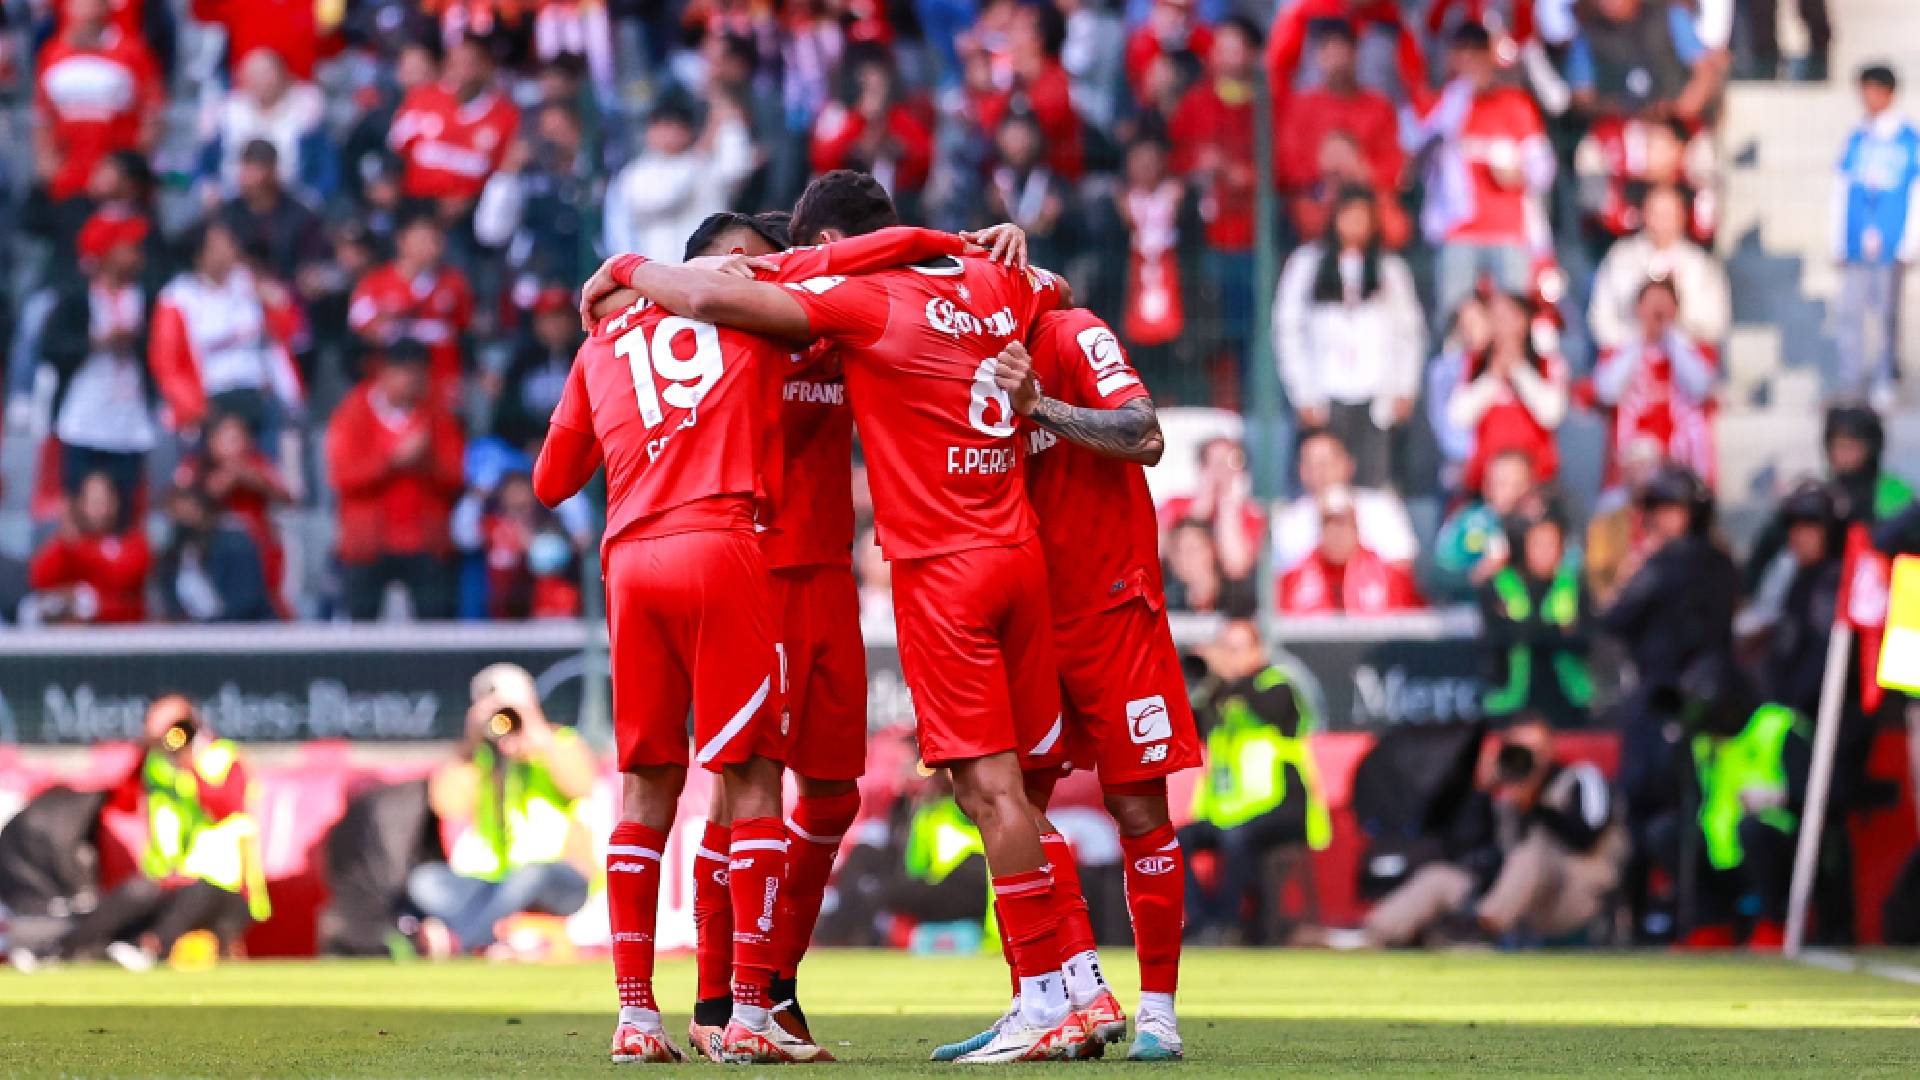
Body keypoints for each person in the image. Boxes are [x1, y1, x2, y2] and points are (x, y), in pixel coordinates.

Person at [579, 171, 1093, 1063]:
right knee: (744, 788)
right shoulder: (726, 332)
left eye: (762, 258)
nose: (748, 270)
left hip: (831, 584)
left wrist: (969, 248)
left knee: (832, 794)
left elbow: (1034, 288)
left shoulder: (838, 316)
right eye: (732, 260)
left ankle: (774, 987)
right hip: (757, 571)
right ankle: (722, 999)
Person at [980, 308, 1202, 1060]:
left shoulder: (1072, 332)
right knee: (1003, 799)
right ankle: (1058, 996)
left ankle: (1159, 1016)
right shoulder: (958, 350)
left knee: (1137, 807)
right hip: (1026, 615)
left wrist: (1038, 405)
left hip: (1112, 608)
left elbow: (1145, 434)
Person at [20, 696, 267, 969]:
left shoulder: (223, 758)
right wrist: (145, 752)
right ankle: (59, 950)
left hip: (224, 887)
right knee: (134, 892)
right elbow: (122, 800)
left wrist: (190, 765)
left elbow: (226, 806)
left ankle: (150, 948)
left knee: (196, 892)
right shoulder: (155, 761)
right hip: (171, 879)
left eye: (173, 728)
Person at [1596, 464, 1738, 938]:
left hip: (1667, 706)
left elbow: (1614, 618)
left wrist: (1632, 574)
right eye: (1656, 509)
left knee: (1655, 814)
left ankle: (1656, 919)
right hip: (1701, 705)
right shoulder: (1720, 563)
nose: (1661, 519)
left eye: (1671, 509)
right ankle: (1681, 916)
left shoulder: (1666, 565)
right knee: (1673, 815)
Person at [1358, 719, 1621, 946]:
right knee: (1439, 877)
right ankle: (1371, 935)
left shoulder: (1579, 778)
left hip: (1570, 895)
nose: (1529, 760)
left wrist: (1533, 804)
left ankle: (1484, 927)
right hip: (1508, 897)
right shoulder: (1502, 792)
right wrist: (1481, 791)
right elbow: (1464, 849)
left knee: (1535, 851)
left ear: (1550, 749)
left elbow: (1587, 835)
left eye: (1536, 751)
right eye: (1519, 751)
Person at [408, 664, 595, 956]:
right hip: (495, 881)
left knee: (529, 875)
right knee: (426, 881)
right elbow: (447, 804)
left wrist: (535, 733)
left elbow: (581, 784)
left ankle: (466, 939)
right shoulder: (480, 759)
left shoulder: (560, 742)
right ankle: (497, 933)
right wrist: (471, 743)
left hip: (558, 877)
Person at [1180, 619, 1330, 944]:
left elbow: (1273, 712)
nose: (1227, 657)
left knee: (1236, 837)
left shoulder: (1279, 684)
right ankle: (1203, 922)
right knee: (1176, 841)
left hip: (1284, 804)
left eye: (1235, 649)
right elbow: (1189, 729)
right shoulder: (1217, 694)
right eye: (1223, 648)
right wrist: (1198, 685)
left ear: (1257, 651)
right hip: (1230, 810)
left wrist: (1231, 676)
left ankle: (1229, 924)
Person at [1272, 187, 1424, 487]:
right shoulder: (1307, 264)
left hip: (1375, 394)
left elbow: (1409, 333)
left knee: (1371, 485)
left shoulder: (1389, 268)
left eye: (1362, 217)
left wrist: (1405, 386)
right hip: (1324, 393)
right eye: (1348, 215)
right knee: (1321, 483)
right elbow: (1287, 331)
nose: (1355, 224)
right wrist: (1301, 392)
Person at [1406, 24, 1554, 327]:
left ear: (1488, 56)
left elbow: (1544, 169)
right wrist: (1460, 98)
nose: (1469, 62)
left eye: (1476, 53)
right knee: (1456, 323)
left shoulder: (1515, 104)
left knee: (1512, 320)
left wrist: (1518, 174)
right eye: (1462, 53)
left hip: (1509, 231)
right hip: (1457, 230)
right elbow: (1413, 156)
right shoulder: (1441, 103)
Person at [324, 342, 465, 621]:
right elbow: (342, 476)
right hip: (367, 543)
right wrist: (392, 460)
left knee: (437, 624)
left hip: (426, 540)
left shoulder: (438, 415)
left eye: (418, 373)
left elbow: (455, 476)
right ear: (384, 372)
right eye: (404, 372)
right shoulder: (352, 413)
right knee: (361, 625)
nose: (411, 381)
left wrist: (425, 461)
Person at [148, 220, 305, 440]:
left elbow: (289, 331)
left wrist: (278, 303)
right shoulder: (178, 298)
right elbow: (167, 362)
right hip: (211, 402)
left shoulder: (250, 283)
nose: (228, 249)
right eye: (218, 245)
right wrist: (196, 408)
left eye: (229, 242)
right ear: (200, 255)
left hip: (258, 395)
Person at [41, 210, 155, 509]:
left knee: (124, 503)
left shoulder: (145, 295)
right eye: (129, 246)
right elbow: (51, 348)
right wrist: (96, 341)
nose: (137, 253)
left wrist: (135, 340)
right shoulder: (76, 297)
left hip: (130, 415)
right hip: (83, 415)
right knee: (78, 502)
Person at [1832, 65, 1920, 407]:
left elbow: (1915, 191)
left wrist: (1910, 242)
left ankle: (1885, 377)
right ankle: (1851, 380)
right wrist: (1838, 240)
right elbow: (1841, 189)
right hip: (1856, 241)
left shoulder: (1908, 140)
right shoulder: (1856, 138)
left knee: (1886, 315)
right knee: (1850, 314)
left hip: (1891, 241)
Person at [1274, 19, 1403, 240]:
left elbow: (1392, 166)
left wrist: (1358, 168)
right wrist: (1326, 167)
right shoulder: (1301, 105)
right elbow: (1287, 165)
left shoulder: (1378, 106)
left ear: (1355, 54)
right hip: (1315, 198)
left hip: (1364, 198)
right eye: (1329, 50)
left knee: (1394, 225)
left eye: (1342, 49)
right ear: (1319, 56)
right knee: (1307, 215)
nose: (1336, 59)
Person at [33, 0, 162, 203]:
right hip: (67, 183)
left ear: (105, 8)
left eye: (93, 4)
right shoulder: (51, 54)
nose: (86, 11)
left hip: (118, 188)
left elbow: (152, 113)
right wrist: (46, 161)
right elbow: (42, 116)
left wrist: (133, 169)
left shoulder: (133, 52)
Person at [1592, 278, 1718, 485]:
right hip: (1632, 462)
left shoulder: (1695, 350)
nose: (1657, 311)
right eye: (1651, 304)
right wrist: (1639, 339)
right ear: (1637, 309)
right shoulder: (1618, 351)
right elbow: (1608, 391)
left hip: (1683, 461)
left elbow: (1700, 387)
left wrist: (1673, 337)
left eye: (1664, 304)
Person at [603, 99, 755, 265]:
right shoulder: (635, 174)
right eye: (661, 126)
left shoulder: (707, 167)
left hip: (708, 271)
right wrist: (703, 148)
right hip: (656, 273)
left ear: (688, 131)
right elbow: (667, 196)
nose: (668, 134)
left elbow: (737, 169)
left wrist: (729, 122)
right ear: (649, 131)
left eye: (675, 126)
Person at [1445, 290, 1569, 492]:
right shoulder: (1475, 365)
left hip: (1536, 480)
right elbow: (1458, 416)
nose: (1501, 325)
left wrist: (1518, 370)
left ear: (1524, 320)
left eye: (1507, 317)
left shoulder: (1547, 364)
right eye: (1494, 317)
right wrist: (1492, 376)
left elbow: (1552, 414)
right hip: (1487, 482)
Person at [1479, 511, 1593, 726]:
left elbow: (1584, 640)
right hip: (1513, 702)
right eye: (1538, 544)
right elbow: (1497, 638)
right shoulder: (1500, 585)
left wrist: (1522, 629)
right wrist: (1557, 630)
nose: (1544, 552)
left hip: (1566, 701)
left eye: (1551, 544)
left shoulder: (1574, 585)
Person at [1587, 184, 1731, 354]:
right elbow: (1600, 318)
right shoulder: (1620, 258)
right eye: (1656, 213)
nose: (1662, 221)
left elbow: (1716, 323)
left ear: (1682, 216)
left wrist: (1675, 329)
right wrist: (1639, 338)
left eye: (1669, 214)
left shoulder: (1700, 264)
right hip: (1629, 354)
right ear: (1644, 214)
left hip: (1686, 356)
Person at [388, 33, 519, 214]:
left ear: (485, 67)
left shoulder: (505, 116)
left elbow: (504, 171)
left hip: (472, 210)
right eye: (453, 62)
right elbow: (394, 151)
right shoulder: (420, 99)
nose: (459, 70)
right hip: (415, 205)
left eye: (467, 63)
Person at [348, 212, 474, 394]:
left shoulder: (455, 283)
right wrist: (393, 322)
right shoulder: (374, 284)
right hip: (390, 386)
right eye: (423, 240)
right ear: (402, 241)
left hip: (442, 382)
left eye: (436, 240)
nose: (431, 247)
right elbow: (361, 331)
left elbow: (463, 328)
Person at [1272, 429, 1417, 574]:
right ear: (1301, 471)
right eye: (1311, 465)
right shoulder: (1289, 519)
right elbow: (1284, 576)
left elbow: (1402, 566)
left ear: (1348, 464)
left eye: (1326, 463)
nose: (1320, 472)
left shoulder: (1382, 508)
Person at [26, 471, 151, 625]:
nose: (98, 508)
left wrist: (78, 548)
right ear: (80, 503)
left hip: (122, 631)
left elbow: (122, 578)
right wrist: (63, 543)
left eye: (103, 500)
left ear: (115, 502)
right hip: (75, 633)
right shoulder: (65, 545)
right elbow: (39, 578)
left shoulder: (133, 541)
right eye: (92, 501)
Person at [1278, 486, 1423, 615]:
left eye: (1343, 523)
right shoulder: (1295, 579)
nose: (1337, 533)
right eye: (1329, 524)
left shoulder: (1388, 577)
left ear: (1356, 529)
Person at [153, 484, 273, 622]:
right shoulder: (175, 553)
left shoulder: (235, 544)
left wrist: (214, 623)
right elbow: (171, 598)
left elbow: (246, 599)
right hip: (197, 629)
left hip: (244, 627)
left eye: (182, 507)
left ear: (201, 508)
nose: (177, 516)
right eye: (172, 511)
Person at [1432, 449, 1540, 603]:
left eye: (1517, 484)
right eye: (1501, 483)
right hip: (1472, 610)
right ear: (1487, 486)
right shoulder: (1469, 523)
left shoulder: (1542, 526)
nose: (1510, 493)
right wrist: (1480, 572)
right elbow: (1438, 576)